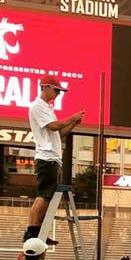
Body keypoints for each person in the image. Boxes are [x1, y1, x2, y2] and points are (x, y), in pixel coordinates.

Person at [24, 76, 83, 243]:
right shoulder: (38, 106)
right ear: (46, 87)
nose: (58, 94)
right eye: (56, 90)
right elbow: (53, 126)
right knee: (44, 195)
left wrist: (73, 124)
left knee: (47, 196)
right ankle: (32, 231)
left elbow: (58, 134)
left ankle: (38, 230)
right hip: (47, 157)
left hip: (52, 157)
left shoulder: (47, 108)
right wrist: (72, 118)